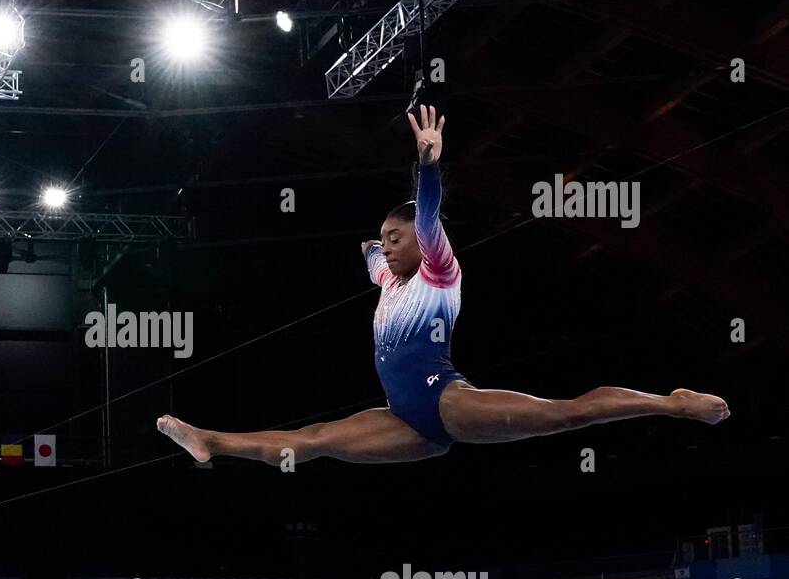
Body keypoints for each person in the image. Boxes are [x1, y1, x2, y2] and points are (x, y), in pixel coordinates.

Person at [157, 106, 729, 466]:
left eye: (397, 235)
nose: (391, 243)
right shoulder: (389, 275)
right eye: (387, 237)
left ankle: (672, 404)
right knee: (313, 440)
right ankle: (209, 439)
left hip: (444, 400)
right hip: (405, 420)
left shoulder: (438, 267)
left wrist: (427, 166)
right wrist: (372, 248)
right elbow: (372, 257)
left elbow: (425, 217)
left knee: (565, 415)